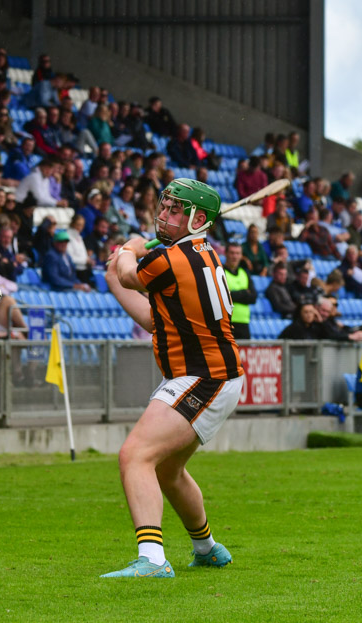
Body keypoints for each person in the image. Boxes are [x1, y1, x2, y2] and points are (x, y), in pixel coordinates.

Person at [102, 178, 244, 578]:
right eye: (163, 207)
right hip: (209, 375)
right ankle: (207, 548)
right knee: (167, 470)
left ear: (198, 219)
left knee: (136, 456)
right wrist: (116, 276)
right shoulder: (197, 254)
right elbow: (153, 318)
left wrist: (129, 249)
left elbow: (134, 272)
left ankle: (152, 559)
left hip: (204, 377)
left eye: (175, 210)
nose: (163, 215)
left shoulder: (172, 259)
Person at [222, 242, 256, 340]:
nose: (235, 256)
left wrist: (233, 294)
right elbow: (223, 296)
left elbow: (253, 297)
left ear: (241, 255)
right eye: (232, 253)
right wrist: (244, 293)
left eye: (237, 253)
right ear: (226, 253)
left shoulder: (244, 273)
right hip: (227, 323)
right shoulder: (220, 271)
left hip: (244, 322)